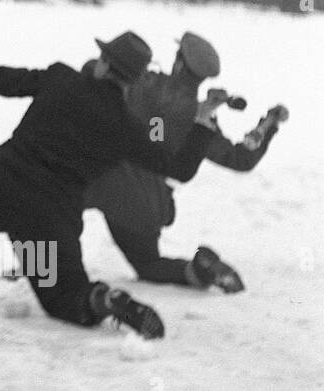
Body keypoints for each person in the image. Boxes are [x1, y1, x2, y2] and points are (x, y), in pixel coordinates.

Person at [0, 31, 228, 339]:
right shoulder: (123, 127)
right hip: (47, 219)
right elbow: (177, 167)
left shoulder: (61, 79)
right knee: (65, 297)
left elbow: (9, 81)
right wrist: (202, 124)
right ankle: (103, 300)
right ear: (133, 79)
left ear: (103, 62)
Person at [84, 32, 282, 293]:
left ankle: (37, 264)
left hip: (98, 177)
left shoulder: (143, 81)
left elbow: (94, 71)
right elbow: (240, 159)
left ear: (178, 62)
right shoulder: (198, 117)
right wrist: (267, 126)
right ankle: (200, 271)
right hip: (145, 202)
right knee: (148, 265)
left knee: (45, 206)